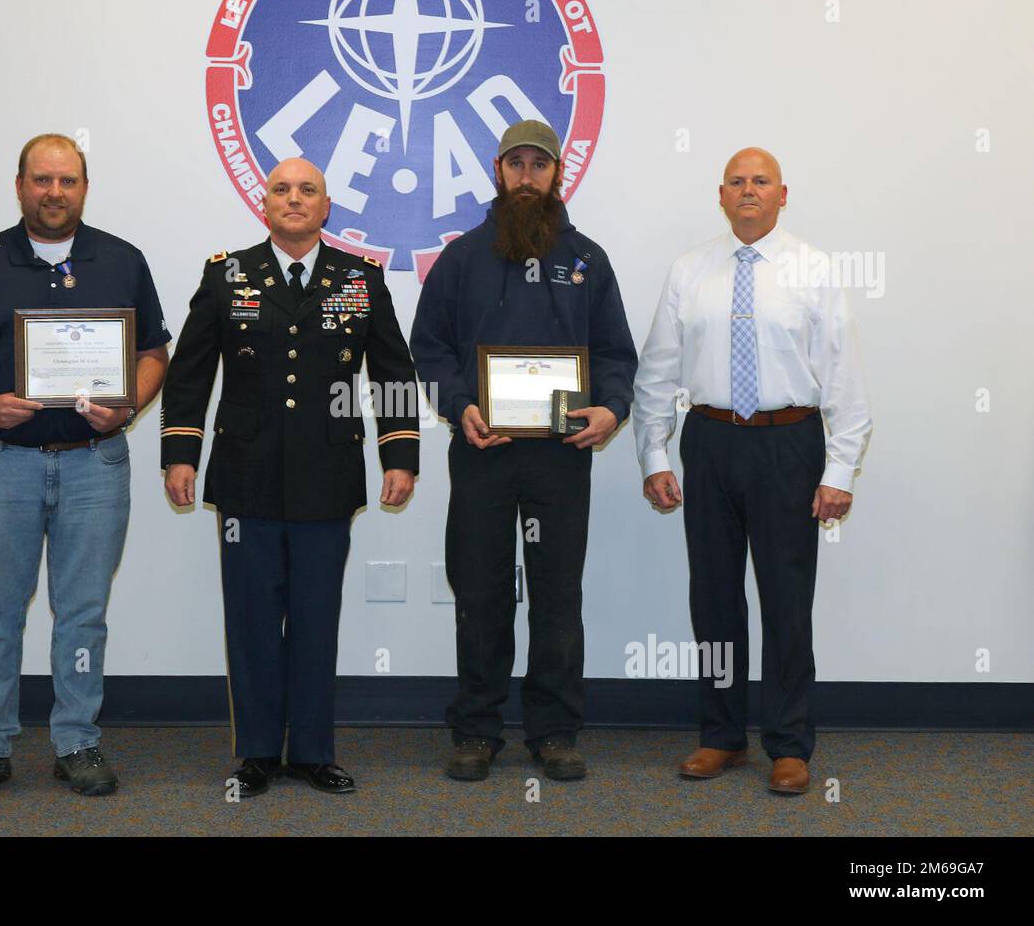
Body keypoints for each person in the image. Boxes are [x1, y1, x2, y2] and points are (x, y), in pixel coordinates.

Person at [0, 134, 170, 800]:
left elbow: (153, 352)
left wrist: (126, 407)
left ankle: (77, 742)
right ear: (20, 185)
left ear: (84, 187)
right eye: (41, 180)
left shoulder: (122, 260)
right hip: (2, 465)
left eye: (67, 180)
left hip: (94, 465)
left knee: (83, 614)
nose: (53, 192)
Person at [160, 157, 420, 798]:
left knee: (314, 615)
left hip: (326, 473)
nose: (295, 199)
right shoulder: (227, 275)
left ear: (326, 206)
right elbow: (190, 371)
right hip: (246, 473)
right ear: (264, 203)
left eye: (308, 191)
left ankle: (310, 750)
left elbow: (392, 371)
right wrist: (180, 452)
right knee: (250, 618)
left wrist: (400, 455)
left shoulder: (359, 279)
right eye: (282, 189)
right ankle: (254, 754)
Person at [631, 147, 872, 794]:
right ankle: (720, 737)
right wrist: (653, 451)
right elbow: (657, 366)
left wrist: (841, 467)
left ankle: (789, 745)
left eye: (760, 181)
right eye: (737, 181)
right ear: (720, 194)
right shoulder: (691, 270)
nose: (748, 190)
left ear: (782, 194)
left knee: (787, 601)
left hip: (788, 444)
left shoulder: (814, 269)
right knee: (713, 599)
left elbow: (844, 373)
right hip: (708, 440)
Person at [409, 119, 638, 782]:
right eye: (517, 165)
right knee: (480, 592)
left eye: (540, 165)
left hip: (562, 457)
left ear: (557, 174)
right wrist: (462, 406)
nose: (528, 177)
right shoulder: (461, 258)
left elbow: (617, 355)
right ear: (498, 172)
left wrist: (611, 407)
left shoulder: (587, 259)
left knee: (557, 594)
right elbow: (430, 350)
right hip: (483, 450)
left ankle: (555, 729)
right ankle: (477, 729)